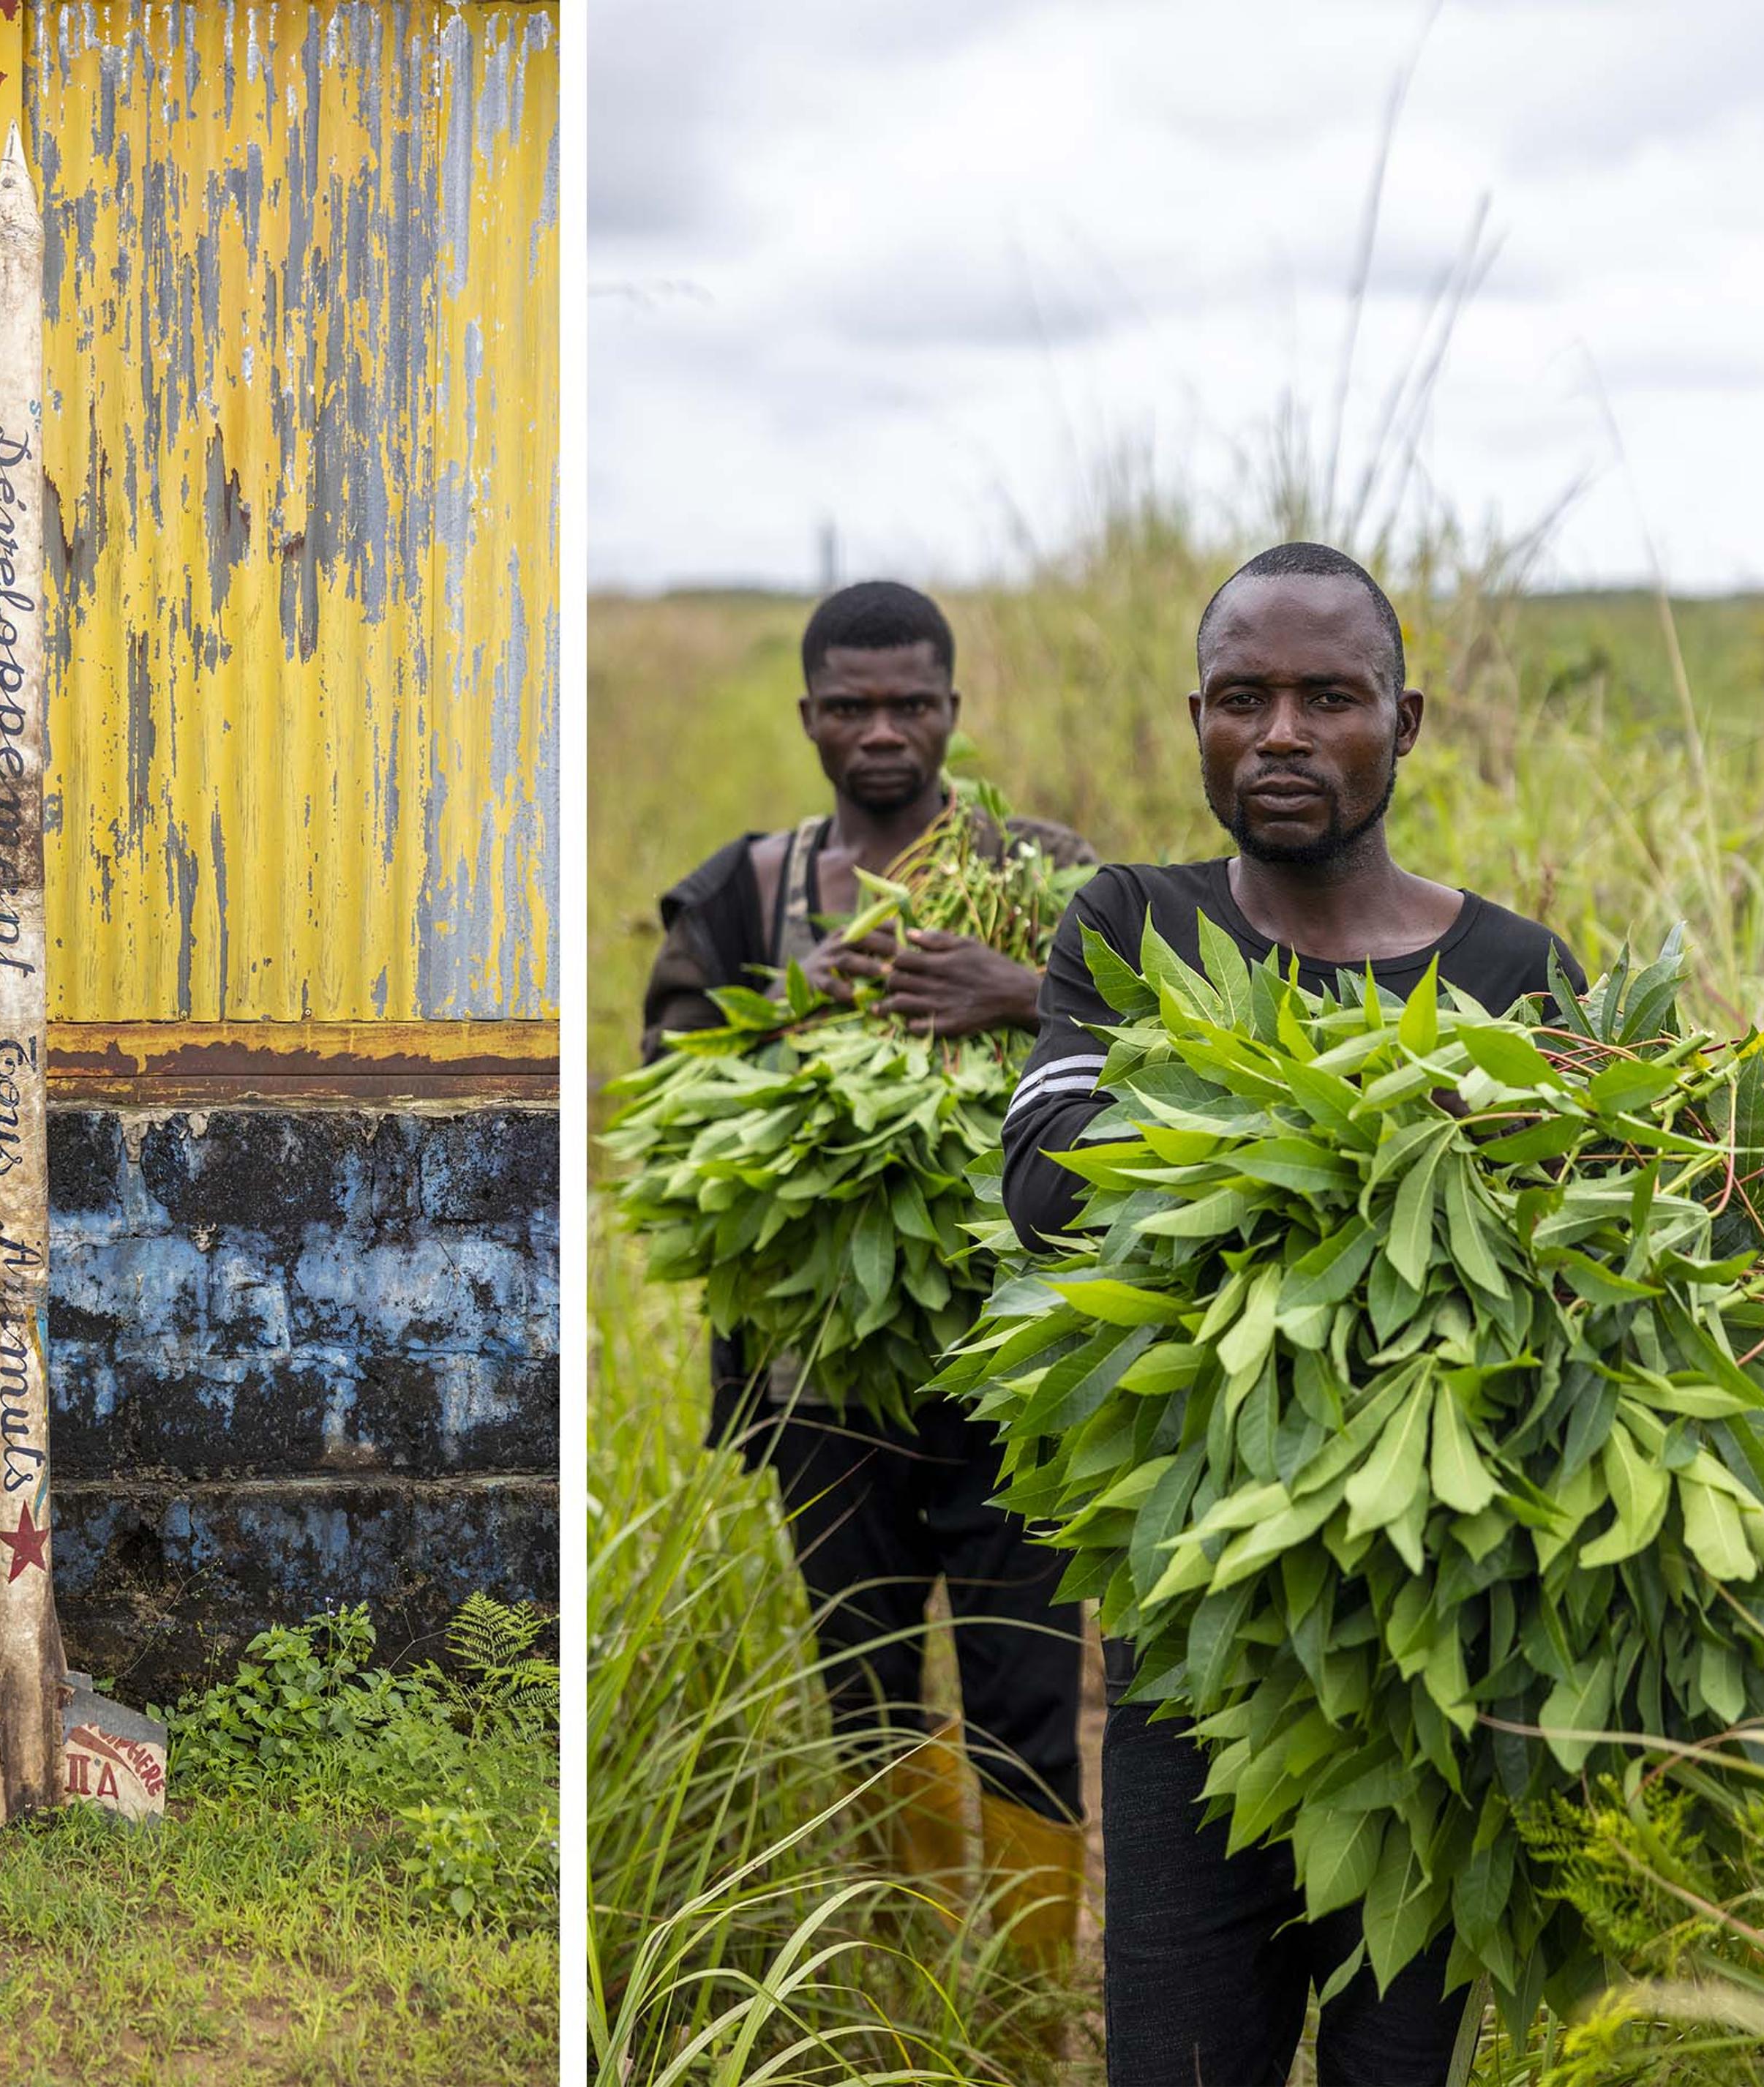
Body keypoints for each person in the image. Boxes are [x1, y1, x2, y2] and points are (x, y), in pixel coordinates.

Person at [999, 542, 1584, 2087]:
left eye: (1330, 697)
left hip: (1447, 1678)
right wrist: (1419, 1116)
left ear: (1408, 722)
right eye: (1244, 697)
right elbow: (1054, 1180)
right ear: (1194, 716)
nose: (1280, 733)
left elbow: (1582, 1289)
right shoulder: (1128, 926)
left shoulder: (1521, 975)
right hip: (1196, 1667)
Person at [642, 579, 1098, 1962]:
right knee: (869, 1697)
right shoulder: (744, 892)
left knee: (1029, 1698)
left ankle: (1020, 2027)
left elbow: (1167, 1037)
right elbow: (668, 1091)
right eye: (852, 707)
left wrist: (1021, 993)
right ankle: (906, 1994)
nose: (883, 731)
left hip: (1017, 1384)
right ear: (809, 719)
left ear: (957, 712)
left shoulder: (1050, 874)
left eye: (912, 703)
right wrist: (797, 1008)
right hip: (824, 1396)